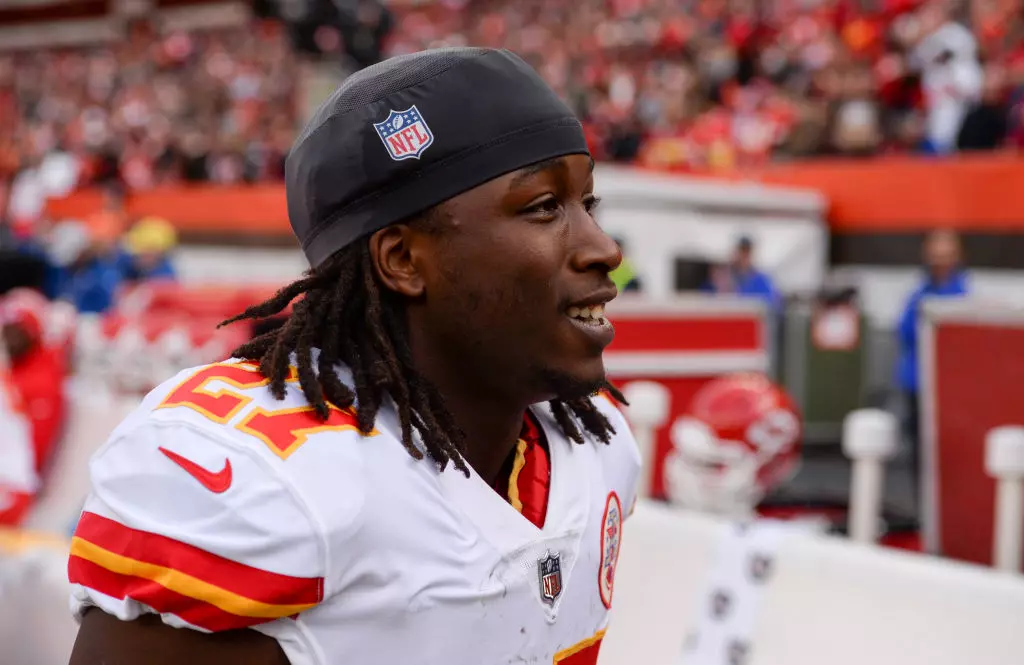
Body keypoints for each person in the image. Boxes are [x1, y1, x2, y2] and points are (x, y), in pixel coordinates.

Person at [68, 48, 641, 665]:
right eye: (544, 207)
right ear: (402, 260)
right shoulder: (274, 479)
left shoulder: (597, 447)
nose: (603, 248)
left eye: (588, 204)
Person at [895, 229, 968, 496]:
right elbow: (903, 331)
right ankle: (921, 505)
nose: (940, 259)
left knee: (948, 451)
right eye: (935, 252)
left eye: (946, 253)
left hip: (948, 387)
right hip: (916, 381)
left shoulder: (963, 295)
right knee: (918, 449)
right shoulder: (917, 293)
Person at [704, 235, 781, 310]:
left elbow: (774, 303)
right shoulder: (721, 277)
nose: (744, 256)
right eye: (741, 251)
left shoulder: (762, 280)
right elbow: (703, 299)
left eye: (747, 251)